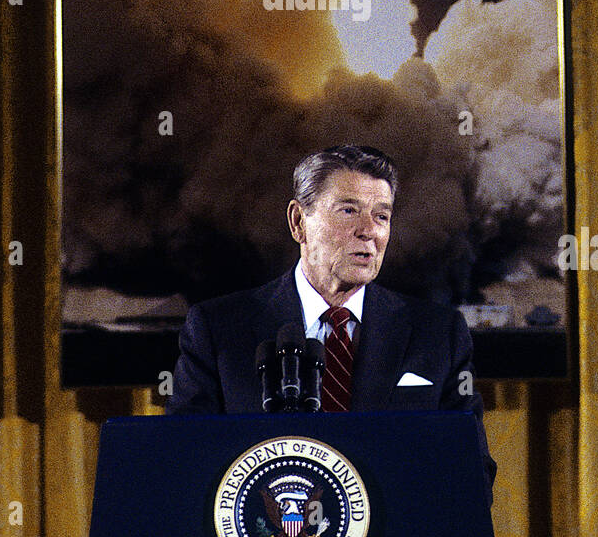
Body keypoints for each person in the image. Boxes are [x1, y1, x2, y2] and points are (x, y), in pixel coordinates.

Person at [167, 144, 496, 504]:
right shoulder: (218, 330)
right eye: (348, 210)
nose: (369, 231)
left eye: (382, 216)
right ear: (298, 222)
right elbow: (185, 464)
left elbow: (471, 471)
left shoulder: (437, 334)